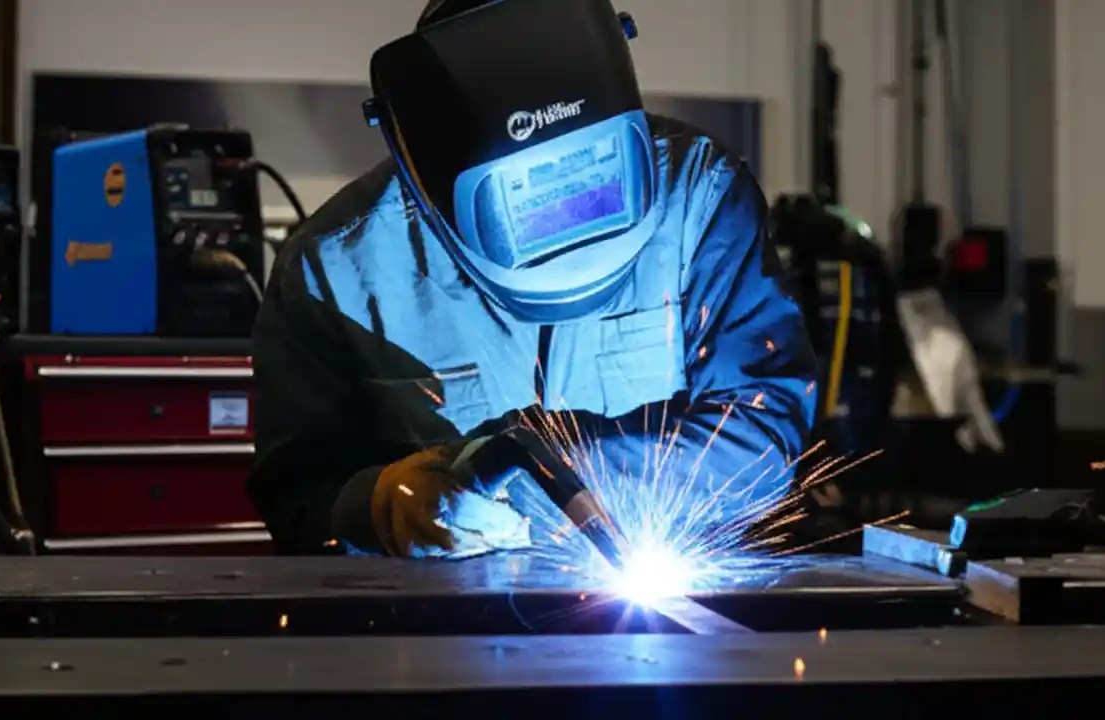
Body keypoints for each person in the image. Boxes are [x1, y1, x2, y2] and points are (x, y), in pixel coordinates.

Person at [249, 0, 817, 558]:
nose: (563, 224)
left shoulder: (697, 197)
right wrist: (376, 506)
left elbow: (761, 433)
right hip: (441, 633)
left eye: (585, 173)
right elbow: (296, 502)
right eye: (521, 196)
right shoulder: (333, 269)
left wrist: (547, 490)